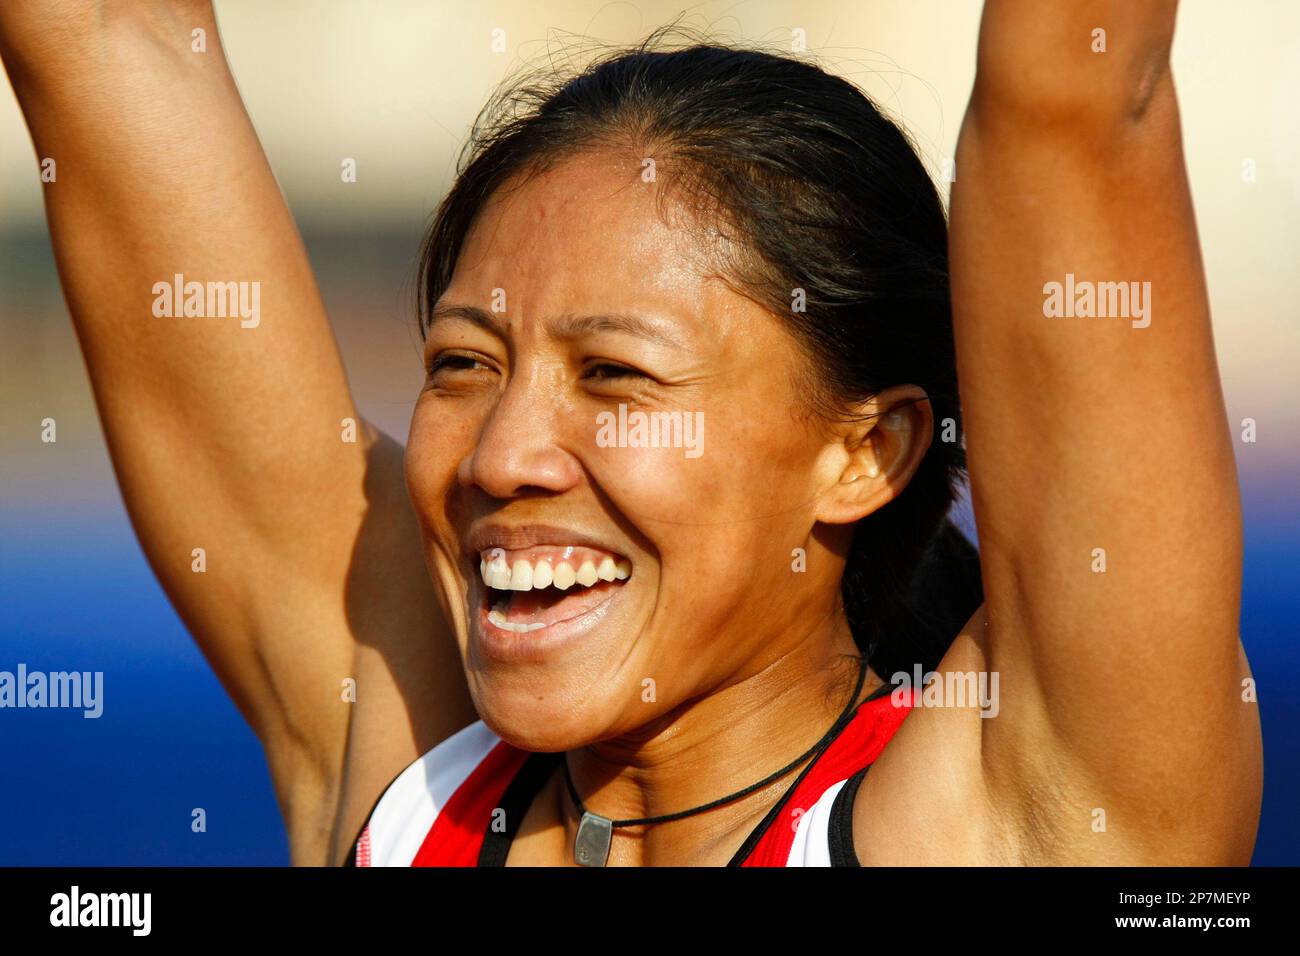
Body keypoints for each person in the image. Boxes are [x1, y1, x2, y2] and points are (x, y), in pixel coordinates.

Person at [0, 0, 1262, 866]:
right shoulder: (408, 788)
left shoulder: (1028, 817)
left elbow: (1079, 102)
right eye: (460, 364)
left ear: (865, 451)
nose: (500, 455)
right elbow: (110, 37)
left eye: (613, 373)